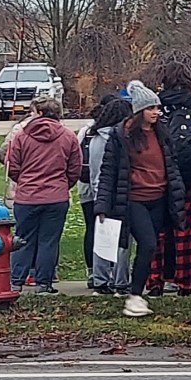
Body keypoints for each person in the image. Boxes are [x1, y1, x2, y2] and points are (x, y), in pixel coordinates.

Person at [95, 80, 188, 318]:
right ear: (139, 111)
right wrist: (103, 206)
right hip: (134, 199)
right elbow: (109, 171)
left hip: (159, 198)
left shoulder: (162, 133)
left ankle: (138, 292)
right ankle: (134, 295)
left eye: (157, 108)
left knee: (152, 246)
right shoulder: (121, 135)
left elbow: (171, 165)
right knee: (147, 244)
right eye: (151, 108)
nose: (156, 112)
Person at [145, 62, 191, 298]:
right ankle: (186, 281)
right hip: (190, 180)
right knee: (185, 231)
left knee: (158, 231)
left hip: (160, 177)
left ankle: (155, 281)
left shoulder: (156, 106)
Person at [3, 95, 81, 293]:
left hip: (27, 196)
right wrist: (63, 185)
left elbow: (12, 166)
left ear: (38, 113)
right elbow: (75, 168)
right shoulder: (68, 136)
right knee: (49, 240)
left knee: (23, 238)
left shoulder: (21, 136)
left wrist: (25, 181)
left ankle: (16, 281)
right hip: (56, 196)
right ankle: (43, 283)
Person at [81, 95, 133, 294]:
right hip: (118, 191)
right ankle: (120, 279)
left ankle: (101, 279)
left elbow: (94, 170)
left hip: (99, 192)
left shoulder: (94, 138)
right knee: (122, 240)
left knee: (104, 238)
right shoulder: (118, 139)